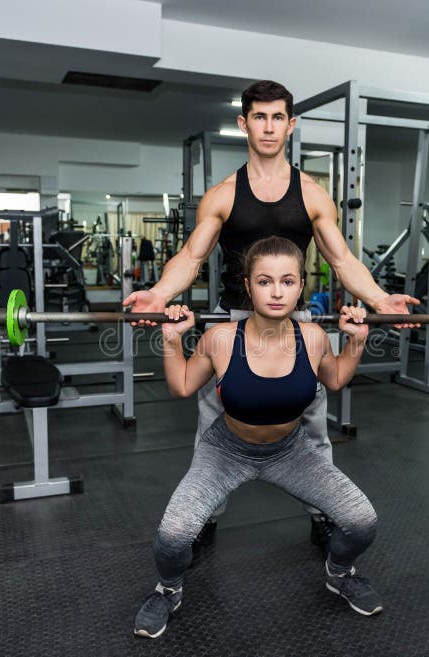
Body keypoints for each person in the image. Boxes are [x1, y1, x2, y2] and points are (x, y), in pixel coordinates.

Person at [123, 79, 419, 549]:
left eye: (277, 117)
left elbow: (342, 260)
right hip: (230, 323)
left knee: (313, 424)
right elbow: (192, 257)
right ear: (243, 124)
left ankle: (323, 512)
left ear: (291, 124)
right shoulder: (223, 195)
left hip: (293, 325)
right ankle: (205, 516)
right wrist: (158, 293)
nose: (268, 126)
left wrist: (382, 300)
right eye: (259, 117)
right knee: (212, 426)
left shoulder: (313, 195)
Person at [134, 237, 381, 639]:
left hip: (291, 452)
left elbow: (335, 378)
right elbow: (181, 385)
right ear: (248, 287)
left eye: (288, 281)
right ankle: (168, 590)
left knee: (361, 522)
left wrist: (356, 341)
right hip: (226, 451)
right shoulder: (220, 339)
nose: (277, 291)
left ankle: (339, 574)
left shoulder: (314, 337)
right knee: (173, 536)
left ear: (302, 285)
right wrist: (172, 338)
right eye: (265, 281)